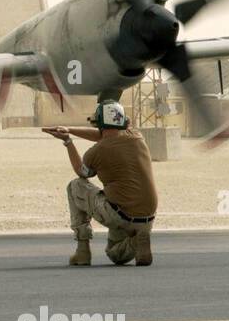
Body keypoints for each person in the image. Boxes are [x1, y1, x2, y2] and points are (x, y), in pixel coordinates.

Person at [42, 100, 157, 267]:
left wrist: (68, 141)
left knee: (75, 186)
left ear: (100, 123)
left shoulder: (98, 151)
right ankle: (137, 242)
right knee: (115, 255)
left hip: (120, 214)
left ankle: (82, 251)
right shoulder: (136, 136)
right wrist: (70, 130)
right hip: (146, 220)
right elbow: (105, 134)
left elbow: (82, 172)